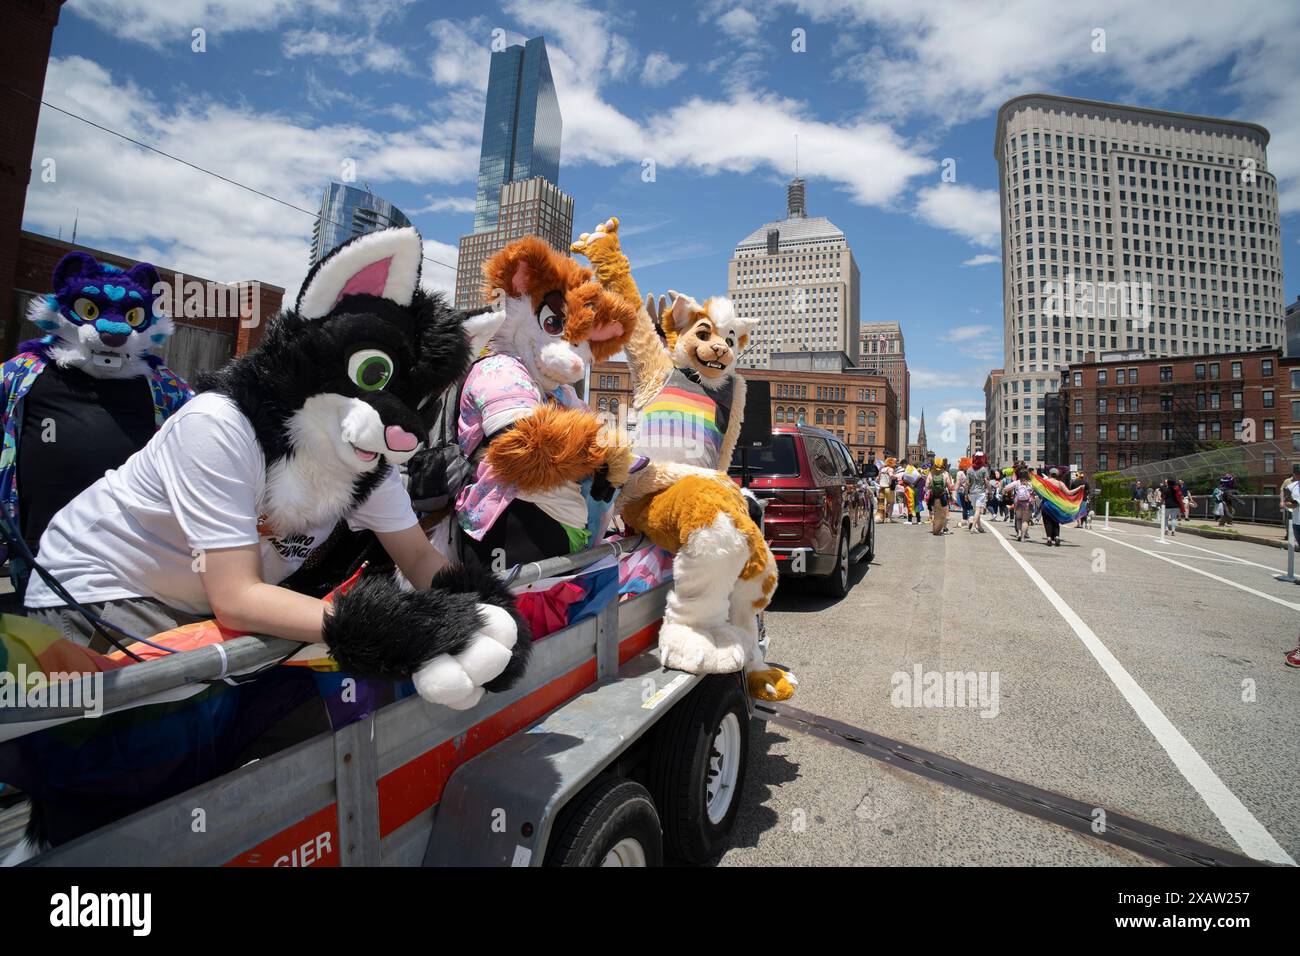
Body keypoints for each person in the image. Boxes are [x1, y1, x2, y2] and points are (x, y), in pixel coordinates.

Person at [1010, 467, 1035, 542]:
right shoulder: (1031, 483)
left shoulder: (1017, 482)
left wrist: (1003, 491)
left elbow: (1007, 488)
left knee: (1018, 519)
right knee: (1025, 521)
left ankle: (1019, 533)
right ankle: (1023, 537)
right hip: (1028, 504)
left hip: (1018, 503)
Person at [928, 458, 953, 535]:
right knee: (944, 513)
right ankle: (945, 529)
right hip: (942, 495)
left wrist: (931, 487)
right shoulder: (945, 473)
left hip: (933, 495)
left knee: (934, 512)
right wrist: (952, 493)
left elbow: (926, 485)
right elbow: (950, 486)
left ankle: (935, 528)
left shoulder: (931, 473)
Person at [966, 454, 990, 533]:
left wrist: (966, 493)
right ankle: (973, 527)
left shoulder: (969, 470)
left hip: (972, 492)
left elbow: (967, 483)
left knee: (976, 509)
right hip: (980, 492)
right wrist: (990, 491)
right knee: (978, 510)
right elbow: (986, 481)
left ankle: (979, 527)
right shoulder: (984, 469)